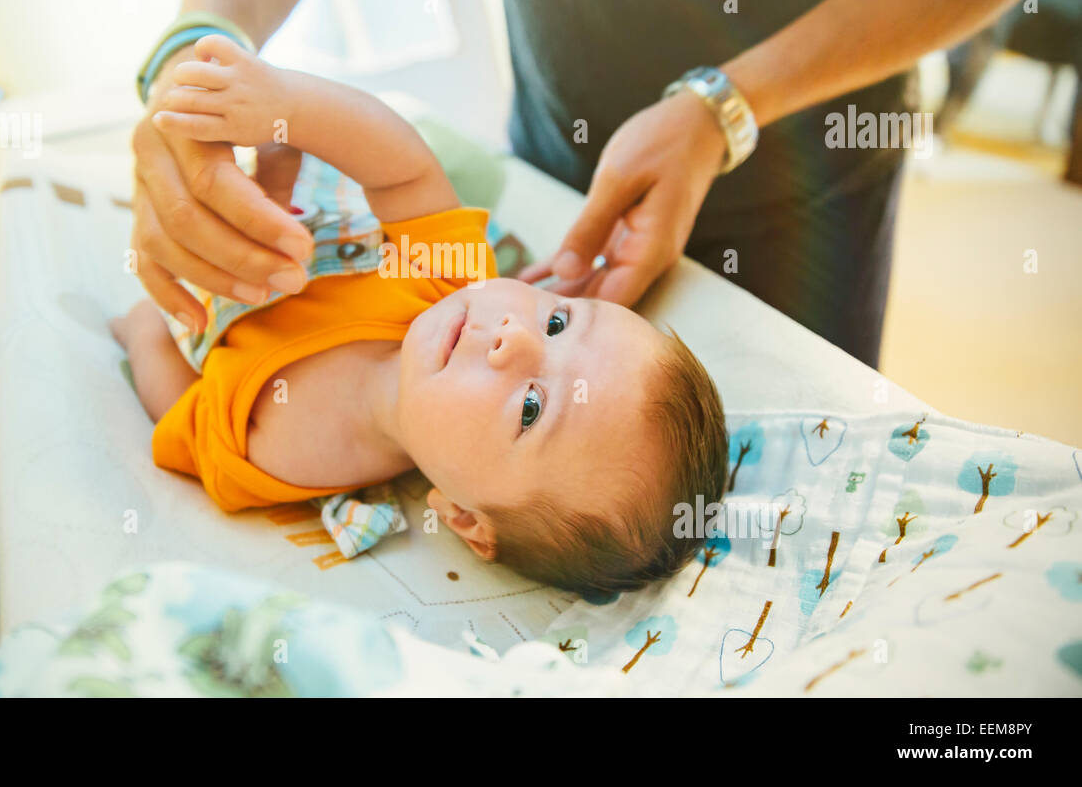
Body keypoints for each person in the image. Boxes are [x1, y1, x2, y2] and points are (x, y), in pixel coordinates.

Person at [129, 0, 1082, 368]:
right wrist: (197, 58)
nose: (503, 354)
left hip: (805, 171)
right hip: (555, 146)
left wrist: (728, 107)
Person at [112, 35, 729, 592]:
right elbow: (400, 165)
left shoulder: (291, 458)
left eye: (532, 407)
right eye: (558, 322)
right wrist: (286, 106)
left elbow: (184, 415)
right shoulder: (453, 277)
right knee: (429, 165)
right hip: (309, 175)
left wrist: (147, 332)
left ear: (463, 516)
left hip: (215, 245)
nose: (513, 337)